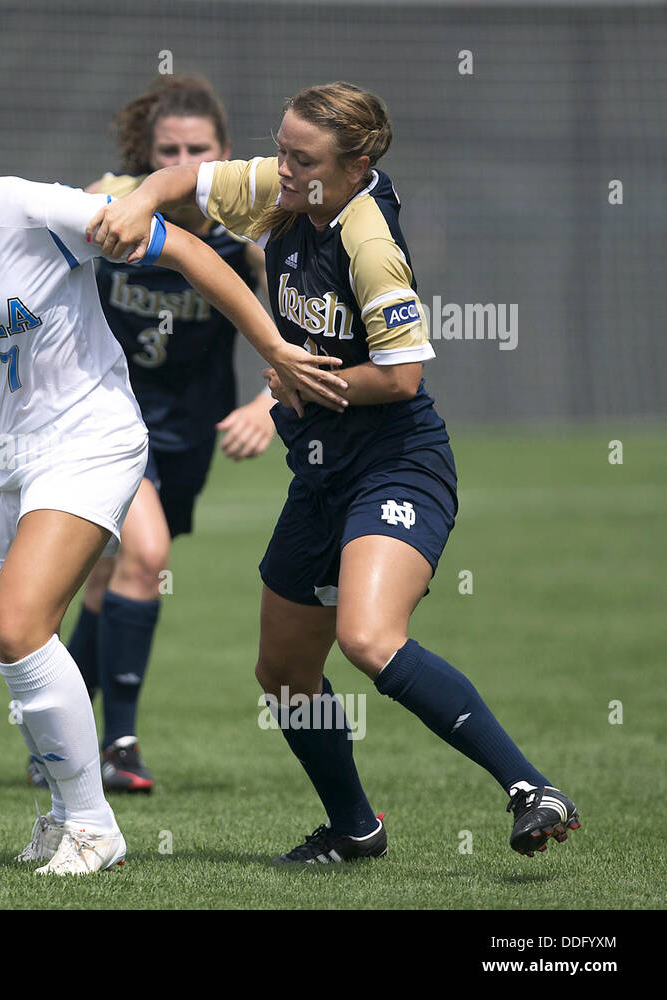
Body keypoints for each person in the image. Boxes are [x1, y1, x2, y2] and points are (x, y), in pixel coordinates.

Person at [0, 59, 339, 875]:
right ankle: (66, 815)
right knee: (15, 648)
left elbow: (188, 253)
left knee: (17, 627)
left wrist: (273, 348)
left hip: (88, 439)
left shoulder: (37, 211)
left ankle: (97, 828)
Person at [88, 81, 580, 862]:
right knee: (284, 671)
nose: (283, 168)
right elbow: (184, 179)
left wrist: (297, 380)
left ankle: (531, 789)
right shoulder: (285, 193)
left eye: (304, 159)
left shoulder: (369, 242)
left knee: (368, 638)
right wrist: (143, 197)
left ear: (354, 168)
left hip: (396, 465)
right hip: (320, 478)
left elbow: (403, 377)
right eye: (280, 149)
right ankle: (355, 829)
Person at [35, 76, 276, 794]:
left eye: (197, 149)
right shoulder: (109, 207)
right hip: (107, 420)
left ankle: (53, 742)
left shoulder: (251, 228)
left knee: (111, 577)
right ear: (147, 156)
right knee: (146, 555)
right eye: (167, 150)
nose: (181, 161)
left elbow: (301, 327)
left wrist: (268, 402)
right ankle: (118, 745)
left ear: (224, 154)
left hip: (192, 429)